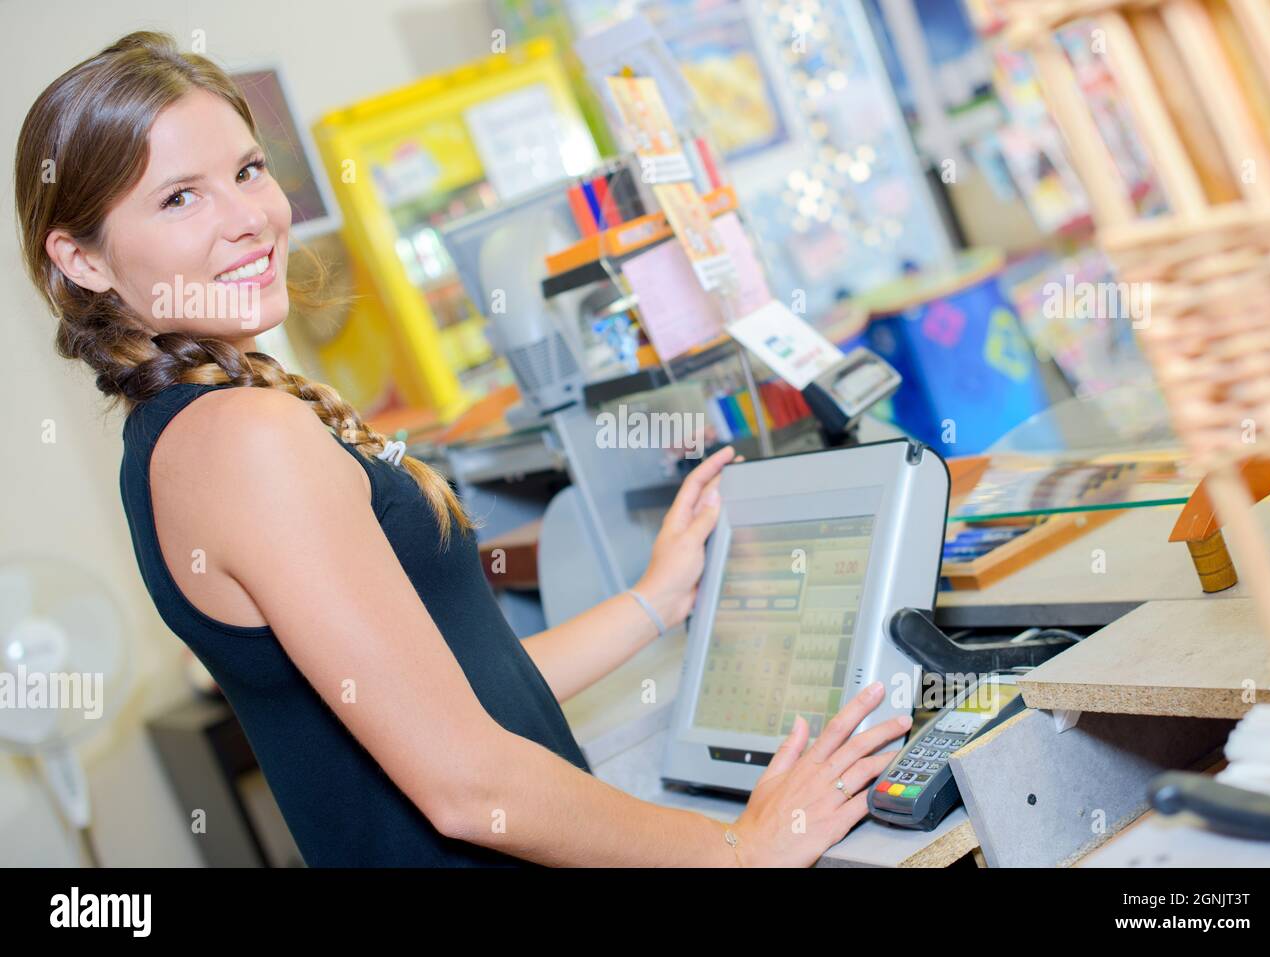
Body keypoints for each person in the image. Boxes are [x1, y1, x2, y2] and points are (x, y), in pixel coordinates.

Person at [14, 31, 910, 867]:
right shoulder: (240, 438)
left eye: (249, 170)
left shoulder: (184, 430)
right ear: (83, 260)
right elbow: (468, 788)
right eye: (180, 197)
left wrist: (651, 600)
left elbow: (461, 691)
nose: (248, 217)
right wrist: (740, 849)